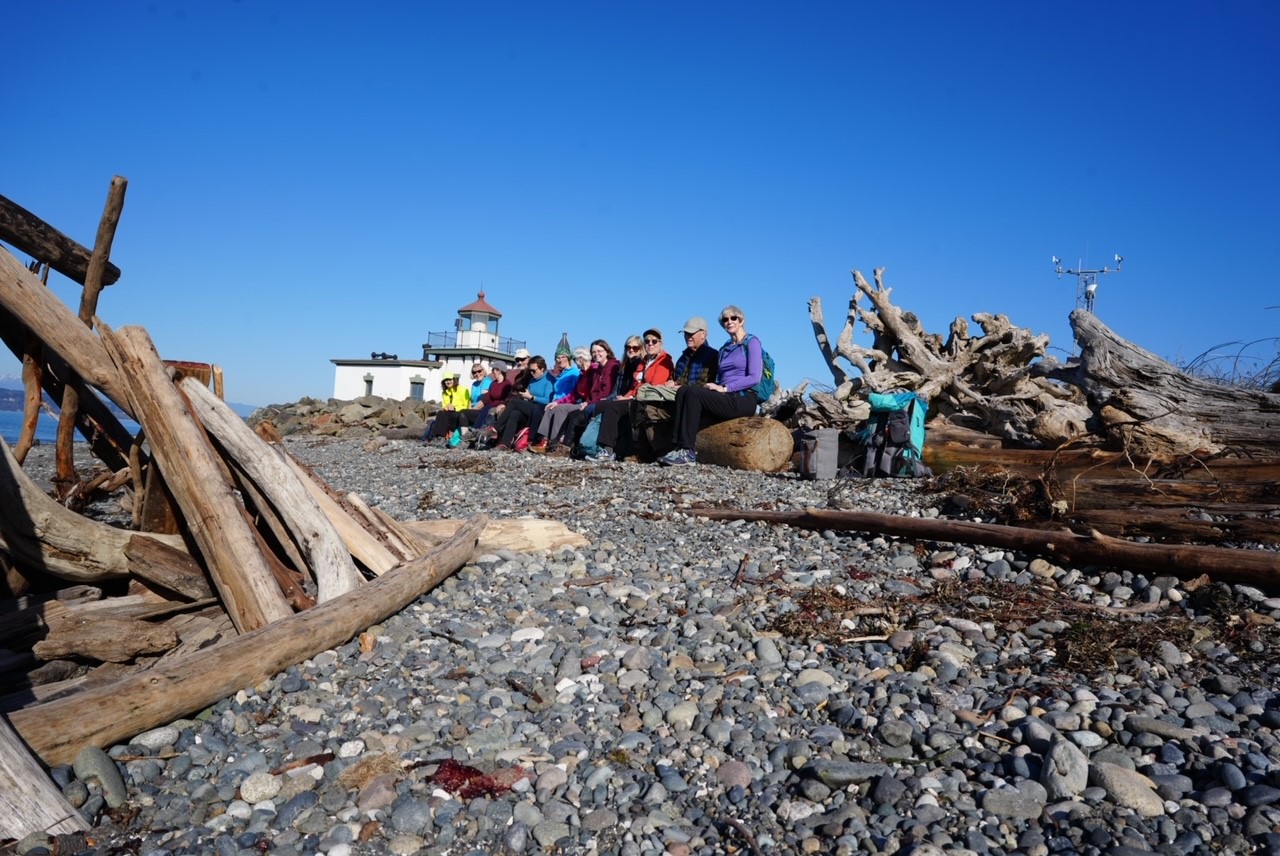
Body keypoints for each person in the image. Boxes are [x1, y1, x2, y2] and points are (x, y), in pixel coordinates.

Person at [658, 305, 762, 466]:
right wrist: (715, 386)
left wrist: (725, 388)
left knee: (692, 393)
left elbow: (755, 377)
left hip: (743, 397)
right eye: (725, 319)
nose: (729, 321)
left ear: (741, 321)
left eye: (733, 318)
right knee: (684, 391)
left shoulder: (752, 342)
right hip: (725, 396)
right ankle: (677, 446)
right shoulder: (726, 348)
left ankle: (688, 452)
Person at [629, 317, 719, 459]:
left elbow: (707, 383)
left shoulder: (712, 355)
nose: (688, 337)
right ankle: (653, 452)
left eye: (691, 333)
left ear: (704, 334)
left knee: (650, 406)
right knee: (645, 406)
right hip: (678, 396)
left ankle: (664, 451)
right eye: (686, 334)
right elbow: (677, 379)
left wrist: (680, 386)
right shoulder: (683, 357)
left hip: (695, 402)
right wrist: (672, 382)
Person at [586, 329, 674, 462]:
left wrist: (629, 397)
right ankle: (592, 445)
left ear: (660, 343)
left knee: (613, 407)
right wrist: (626, 396)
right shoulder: (645, 362)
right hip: (636, 397)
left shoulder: (664, 361)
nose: (650, 344)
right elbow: (635, 385)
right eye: (647, 341)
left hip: (649, 400)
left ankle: (608, 450)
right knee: (605, 405)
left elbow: (653, 386)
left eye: (654, 341)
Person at [531, 339, 619, 453]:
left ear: (581, 359)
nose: (575, 363)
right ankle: (545, 440)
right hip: (586, 402)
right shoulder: (584, 374)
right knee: (552, 408)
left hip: (592, 403)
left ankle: (556, 443)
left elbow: (603, 392)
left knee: (563, 411)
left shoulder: (595, 370)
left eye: (575, 360)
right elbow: (574, 394)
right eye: (594, 352)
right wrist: (557, 402)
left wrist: (587, 402)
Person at [487, 355, 554, 449]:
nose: (531, 373)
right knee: (515, 413)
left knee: (514, 402)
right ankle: (505, 443)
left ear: (542, 368)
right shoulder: (532, 380)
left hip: (541, 409)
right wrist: (526, 397)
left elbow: (548, 400)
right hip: (531, 407)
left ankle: (495, 428)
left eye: (534, 371)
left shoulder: (549, 380)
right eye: (530, 370)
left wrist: (531, 397)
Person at [421, 371, 471, 442]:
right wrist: (446, 407)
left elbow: (465, 405)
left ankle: (449, 434)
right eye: (446, 380)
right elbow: (444, 405)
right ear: (444, 382)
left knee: (454, 415)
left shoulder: (462, 389)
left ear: (453, 380)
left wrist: (455, 408)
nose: (448, 382)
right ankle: (439, 436)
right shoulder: (445, 393)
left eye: (450, 379)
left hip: (460, 411)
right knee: (441, 413)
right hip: (450, 411)